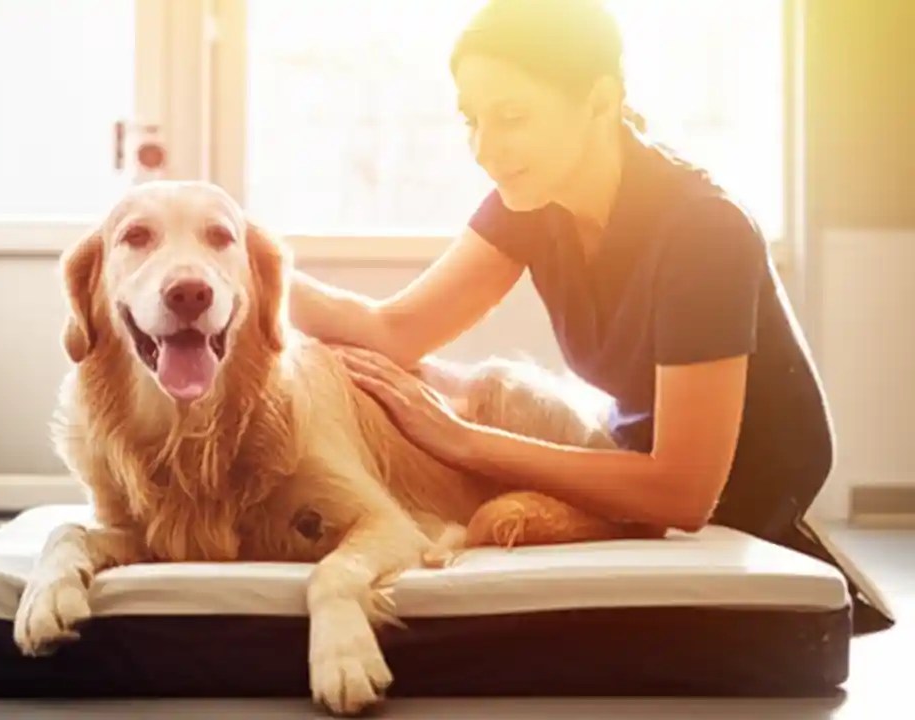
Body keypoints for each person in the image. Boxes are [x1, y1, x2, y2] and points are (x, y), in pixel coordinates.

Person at [289, 0, 892, 634]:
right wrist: (244, 264)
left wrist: (464, 441)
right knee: (451, 406)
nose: (483, 149)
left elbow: (685, 494)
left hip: (743, 478)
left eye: (513, 117)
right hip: (632, 439)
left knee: (486, 483)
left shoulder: (705, 231)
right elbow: (394, 331)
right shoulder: (530, 199)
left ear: (601, 101)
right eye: (472, 120)